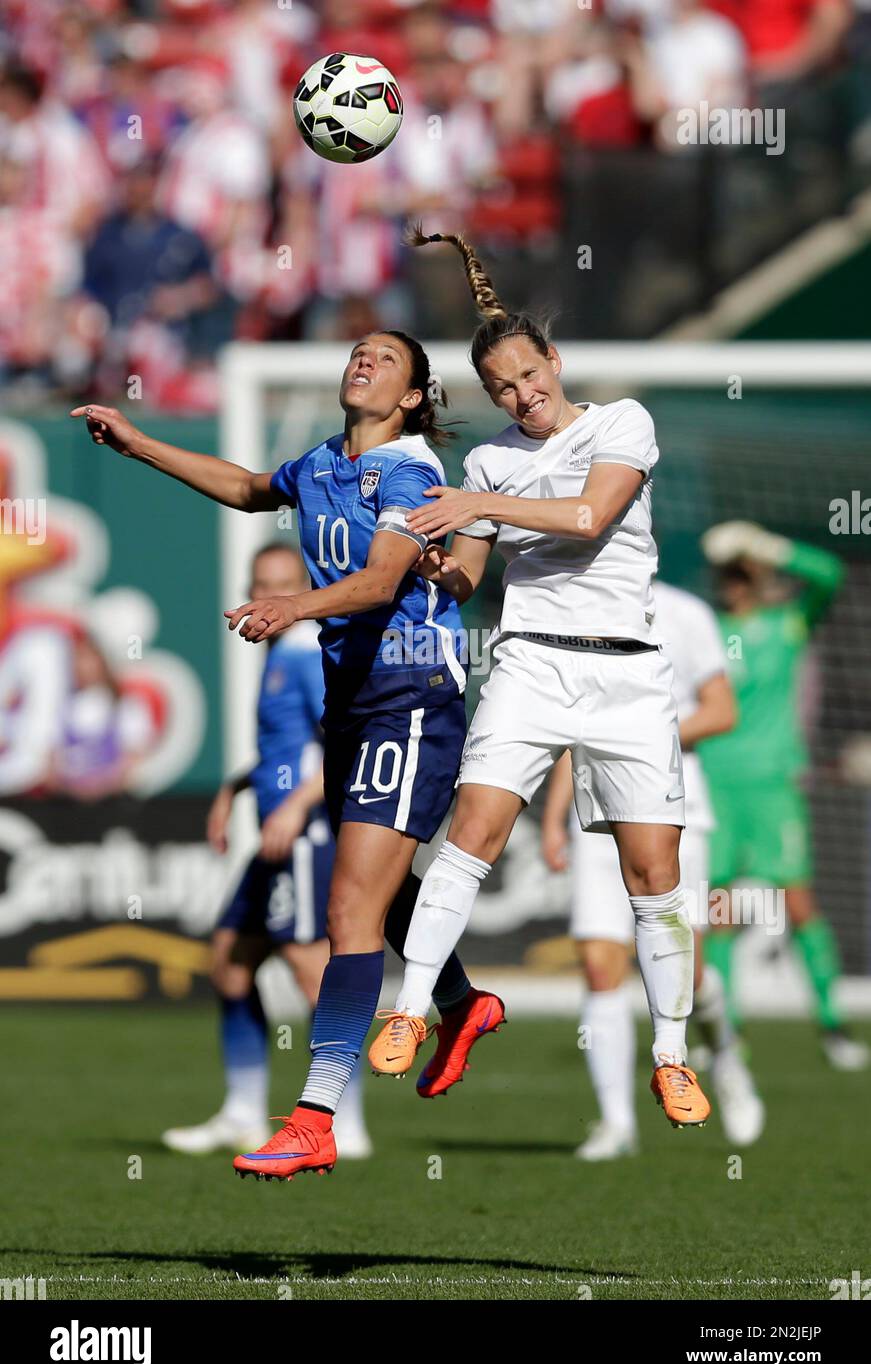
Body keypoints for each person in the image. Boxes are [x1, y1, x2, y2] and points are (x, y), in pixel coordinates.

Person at [71, 328, 504, 1183]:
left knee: (350, 911)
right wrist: (138, 441)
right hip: (355, 703)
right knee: (377, 897)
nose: (363, 360)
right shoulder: (320, 461)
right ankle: (461, 1001)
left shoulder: (409, 471)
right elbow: (245, 487)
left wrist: (291, 606)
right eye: (358, 351)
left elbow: (381, 583)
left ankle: (315, 1116)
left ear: (414, 396)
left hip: (409, 699)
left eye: (385, 357)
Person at [368, 227, 711, 1131]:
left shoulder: (620, 422)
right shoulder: (487, 461)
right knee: (472, 831)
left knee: (653, 875)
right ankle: (409, 1009)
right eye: (500, 389)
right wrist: (423, 562)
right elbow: (471, 577)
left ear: (554, 360)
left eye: (528, 376)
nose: (520, 396)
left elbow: (590, 516)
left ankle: (669, 1058)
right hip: (530, 662)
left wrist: (477, 504)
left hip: (629, 677)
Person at [161, 542, 370, 1161]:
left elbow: (342, 744)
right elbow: (288, 749)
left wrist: (296, 806)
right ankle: (243, 1111)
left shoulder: (308, 652)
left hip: (306, 837)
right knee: (229, 961)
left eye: (285, 584)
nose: (272, 596)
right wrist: (237, 787)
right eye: (262, 584)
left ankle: (342, 1120)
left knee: (313, 975)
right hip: (277, 831)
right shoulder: (279, 652)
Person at [541, 579, 764, 1160]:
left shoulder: (685, 611)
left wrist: (640, 739)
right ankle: (617, 1124)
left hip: (675, 806)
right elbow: (573, 724)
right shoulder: (569, 603)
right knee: (598, 965)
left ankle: (725, 1056)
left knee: (683, 973)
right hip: (596, 807)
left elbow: (722, 710)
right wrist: (553, 814)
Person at [700, 521, 869, 1072]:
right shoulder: (707, 632)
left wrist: (768, 543)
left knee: (798, 904)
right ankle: (727, 1030)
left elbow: (830, 575)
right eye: (728, 574)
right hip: (718, 783)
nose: (735, 583)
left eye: (743, 572)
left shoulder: (787, 625)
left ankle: (831, 1023)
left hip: (774, 786)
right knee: (718, 910)